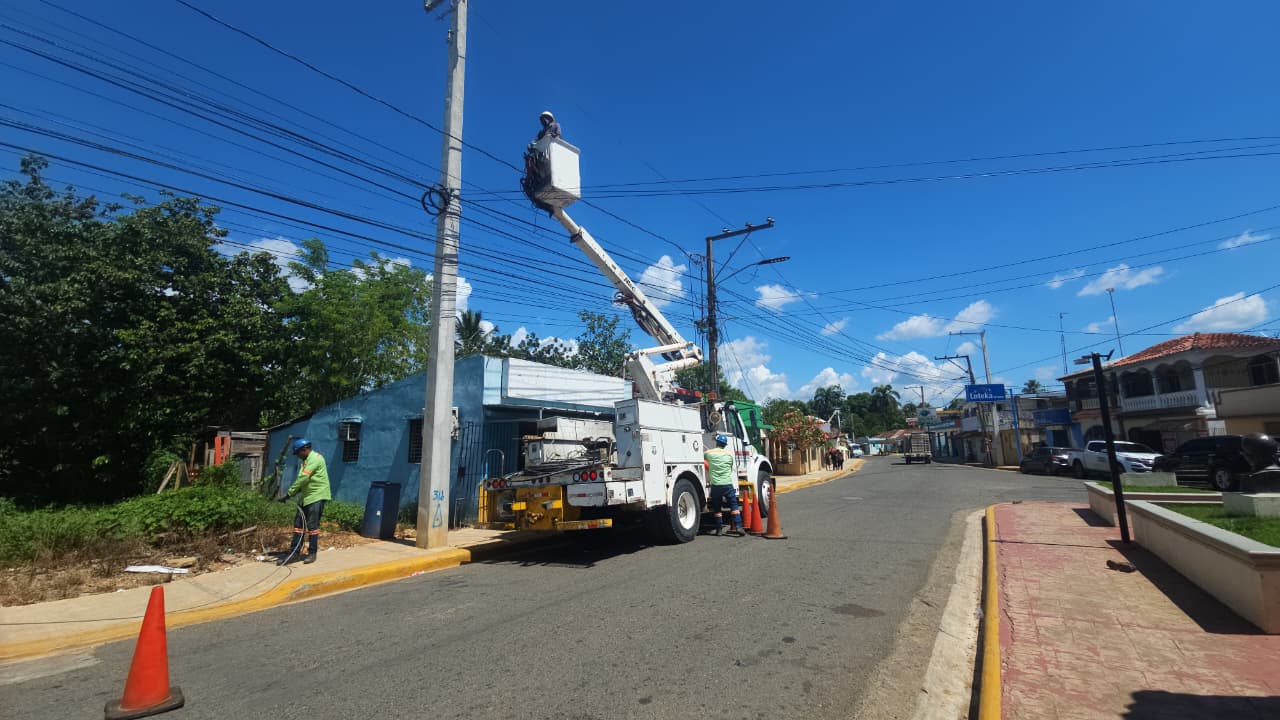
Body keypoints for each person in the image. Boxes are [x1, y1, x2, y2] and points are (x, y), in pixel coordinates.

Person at [281, 438, 331, 564]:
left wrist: (289, 494)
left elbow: (303, 478)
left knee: (312, 527)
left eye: (298, 453)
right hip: (306, 497)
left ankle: (312, 553)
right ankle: (295, 552)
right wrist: (295, 493)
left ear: (304, 450)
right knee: (298, 526)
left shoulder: (314, 459)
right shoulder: (306, 461)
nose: (297, 456)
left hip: (316, 496)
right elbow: (304, 482)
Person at [704, 434, 744, 536]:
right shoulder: (729, 455)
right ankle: (739, 527)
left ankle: (719, 530)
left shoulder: (709, 453)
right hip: (727, 484)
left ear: (716, 442)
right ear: (725, 445)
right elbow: (729, 469)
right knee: (734, 506)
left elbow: (702, 460)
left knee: (717, 508)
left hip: (716, 485)